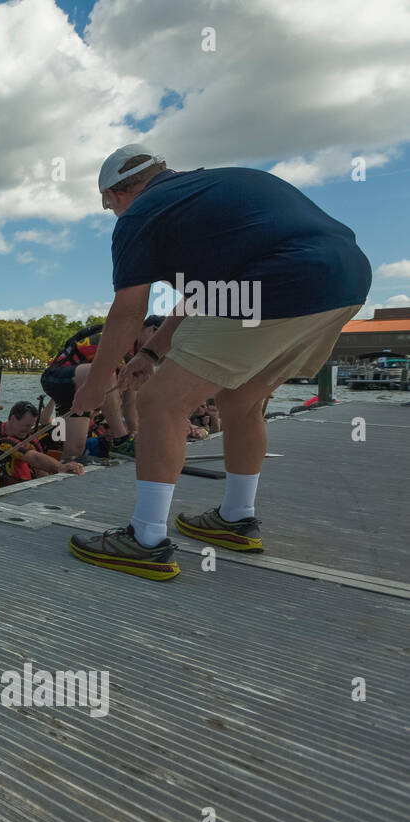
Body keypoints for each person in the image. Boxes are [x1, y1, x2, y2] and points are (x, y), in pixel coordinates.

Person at [69, 144, 372, 579]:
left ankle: (145, 540)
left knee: (159, 403)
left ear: (114, 196)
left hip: (278, 281)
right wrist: (151, 353)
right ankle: (236, 518)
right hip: (347, 281)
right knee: (242, 399)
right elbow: (203, 296)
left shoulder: (139, 214)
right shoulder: (215, 187)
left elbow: (129, 310)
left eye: (107, 206)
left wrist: (96, 386)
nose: (112, 212)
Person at [40, 317, 164, 460]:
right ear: (151, 330)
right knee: (105, 372)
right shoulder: (123, 337)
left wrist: (135, 432)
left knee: (75, 450)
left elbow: (130, 401)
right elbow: (103, 371)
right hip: (56, 376)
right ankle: (120, 439)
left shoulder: (137, 357)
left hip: (81, 389)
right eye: (161, 341)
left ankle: (64, 472)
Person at [0, 401, 85, 485]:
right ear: (12, 419)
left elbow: (39, 464)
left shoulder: (30, 439)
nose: (28, 430)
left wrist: (58, 471)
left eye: (31, 426)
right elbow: (34, 457)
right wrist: (60, 467)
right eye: (26, 426)